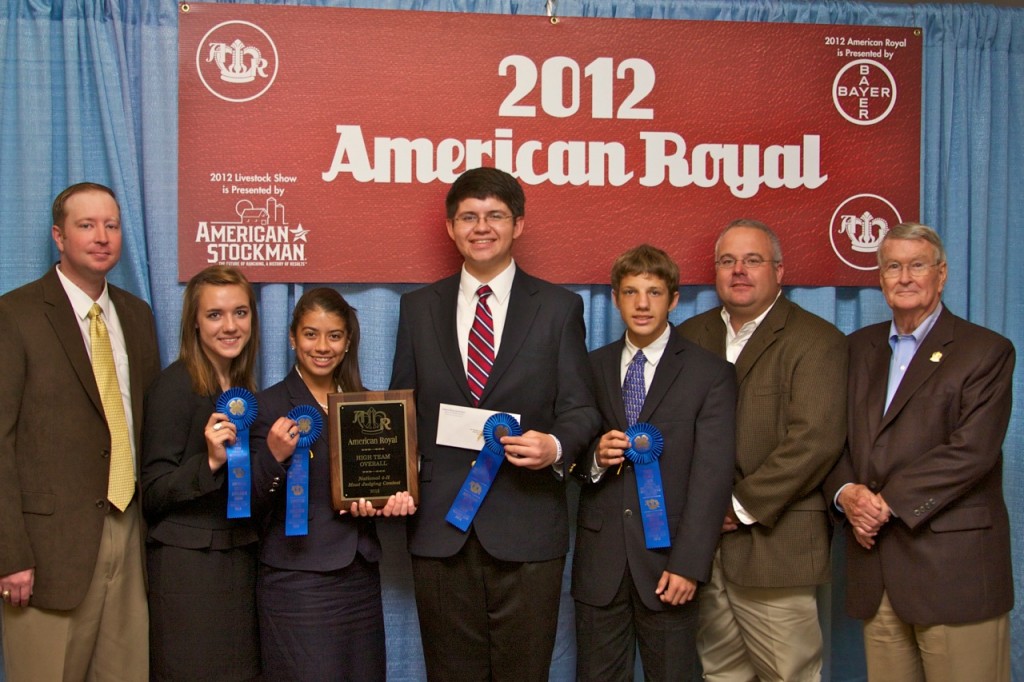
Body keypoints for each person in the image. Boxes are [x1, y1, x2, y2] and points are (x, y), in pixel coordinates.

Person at [389, 166, 601, 681]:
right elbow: (402, 410)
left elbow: (581, 408)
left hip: (527, 525)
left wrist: (555, 446)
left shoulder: (557, 308)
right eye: (468, 216)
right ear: (450, 228)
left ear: (518, 225)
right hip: (441, 530)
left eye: (495, 216)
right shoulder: (417, 308)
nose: (481, 227)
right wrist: (395, 477)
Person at [824, 222, 1014, 682]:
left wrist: (884, 504)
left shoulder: (985, 350)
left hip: (954, 571)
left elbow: (972, 451)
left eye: (917, 266)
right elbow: (831, 438)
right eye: (893, 266)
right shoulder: (855, 349)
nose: (905, 277)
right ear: (880, 277)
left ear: (941, 274)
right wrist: (847, 493)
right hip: (877, 572)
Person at [0, 182, 161, 680]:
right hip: (48, 551)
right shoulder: (15, 315)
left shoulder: (136, 316)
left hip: (129, 531)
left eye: (111, 225)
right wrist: (10, 554)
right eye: (86, 225)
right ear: (58, 236)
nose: (101, 236)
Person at [678, 219, 848, 681]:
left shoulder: (817, 340)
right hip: (704, 551)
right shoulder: (689, 337)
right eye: (727, 261)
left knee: (789, 675)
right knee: (721, 674)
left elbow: (815, 441)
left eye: (752, 260)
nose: (739, 271)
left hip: (777, 550)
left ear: (778, 270)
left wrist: (736, 506)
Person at [571, 244, 736, 681]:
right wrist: (595, 459)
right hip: (600, 565)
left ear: (674, 299)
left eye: (654, 292)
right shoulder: (590, 367)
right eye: (630, 292)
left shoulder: (709, 374)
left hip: (668, 565)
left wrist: (689, 564)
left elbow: (712, 478)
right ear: (614, 297)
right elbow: (570, 451)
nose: (642, 304)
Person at [251, 287, 415, 681]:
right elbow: (250, 504)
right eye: (311, 334)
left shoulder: (370, 407)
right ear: (292, 338)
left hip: (358, 578)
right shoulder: (267, 407)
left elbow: (380, 483)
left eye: (334, 335)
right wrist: (273, 456)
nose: (322, 346)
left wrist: (392, 503)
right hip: (297, 583)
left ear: (348, 342)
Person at [140, 265, 262, 680]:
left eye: (240, 313)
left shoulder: (242, 388)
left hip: (238, 560)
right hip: (188, 570)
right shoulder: (173, 386)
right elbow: (152, 493)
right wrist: (208, 462)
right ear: (194, 322)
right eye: (215, 315)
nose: (230, 326)